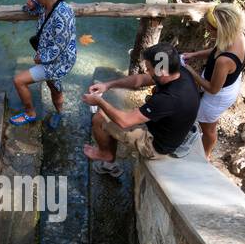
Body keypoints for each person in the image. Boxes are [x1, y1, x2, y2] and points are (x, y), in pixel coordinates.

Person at [82, 41, 200, 177]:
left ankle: (105, 154)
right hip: (166, 127)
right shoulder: (180, 72)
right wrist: (108, 85)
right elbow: (140, 80)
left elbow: (124, 122)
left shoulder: (168, 99)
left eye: (149, 69)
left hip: (155, 145)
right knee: (113, 113)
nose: (147, 71)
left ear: (161, 71)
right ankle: (109, 161)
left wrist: (99, 101)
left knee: (100, 118)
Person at [181, 2, 245, 160]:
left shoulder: (224, 61)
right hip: (230, 81)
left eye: (209, 28)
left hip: (217, 96)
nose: (206, 30)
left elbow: (213, 89)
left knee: (209, 129)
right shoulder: (240, 33)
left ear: (221, 30)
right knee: (209, 122)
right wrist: (194, 55)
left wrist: (189, 70)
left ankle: (205, 156)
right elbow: (218, 49)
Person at [11, 0, 77, 129]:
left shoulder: (63, 14)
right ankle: (60, 112)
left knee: (19, 81)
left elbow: (60, 46)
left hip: (58, 62)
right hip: (50, 58)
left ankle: (30, 113)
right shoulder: (46, 5)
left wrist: (41, 58)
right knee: (53, 86)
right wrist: (29, 6)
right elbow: (32, 11)